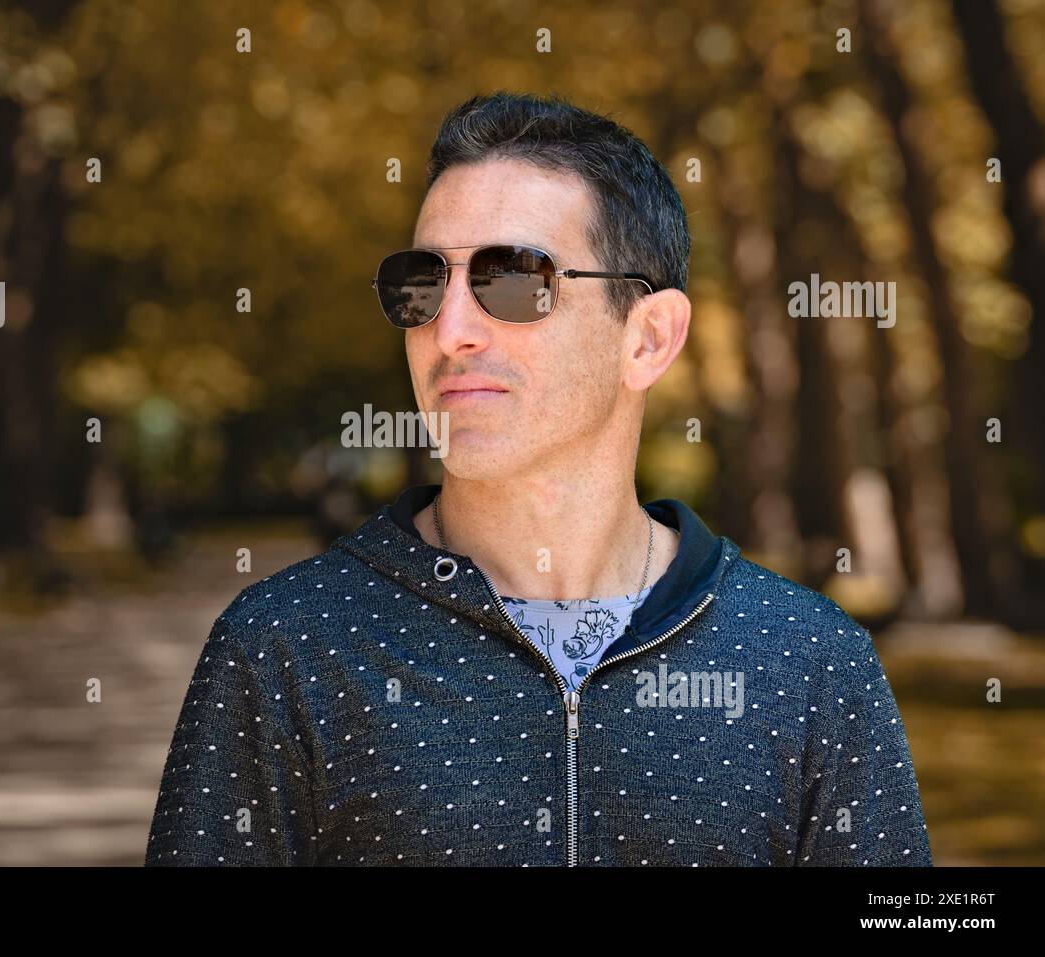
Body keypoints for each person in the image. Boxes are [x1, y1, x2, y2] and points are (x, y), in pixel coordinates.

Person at [144, 91, 932, 867]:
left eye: (514, 278)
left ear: (649, 338)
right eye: (422, 284)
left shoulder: (811, 663)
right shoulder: (286, 648)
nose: (448, 330)